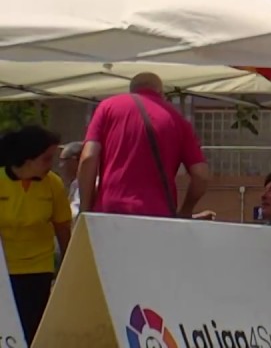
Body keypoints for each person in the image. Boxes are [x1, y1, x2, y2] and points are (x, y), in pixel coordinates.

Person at [77, 72, 213, 219]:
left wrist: (85, 208)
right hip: (159, 215)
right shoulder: (177, 120)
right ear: (160, 93)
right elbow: (201, 175)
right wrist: (186, 211)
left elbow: (88, 158)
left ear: (132, 90)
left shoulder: (107, 107)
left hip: (110, 211)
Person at [0, 126, 72, 342]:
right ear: (28, 158)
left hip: (39, 268)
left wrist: (68, 268)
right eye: (46, 159)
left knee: (33, 329)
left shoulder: (54, 184)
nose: (51, 165)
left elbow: (62, 228)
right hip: (5, 268)